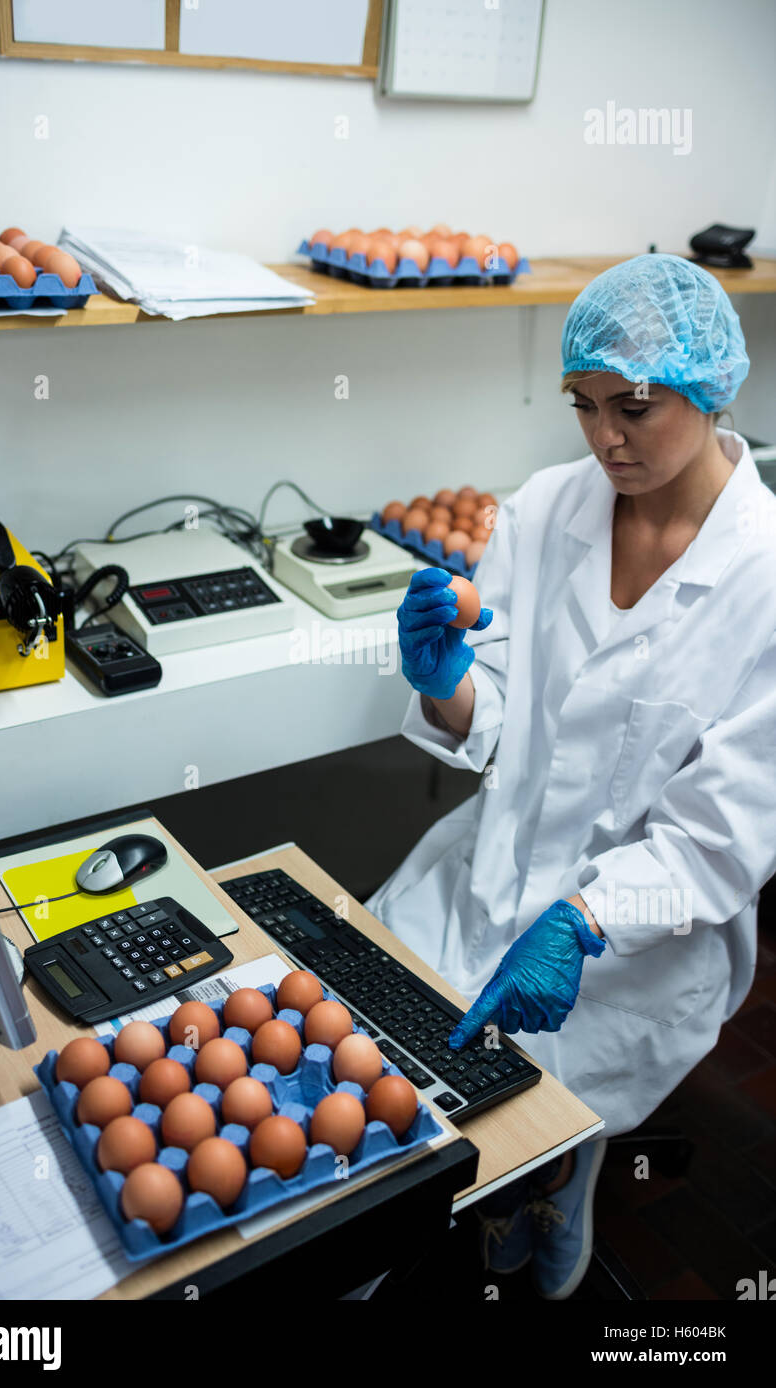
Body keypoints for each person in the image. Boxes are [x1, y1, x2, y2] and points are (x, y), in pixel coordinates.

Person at [366, 253, 776, 1299]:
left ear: (709, 386)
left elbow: (718, 835)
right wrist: (450, 681)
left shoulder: (763, 578)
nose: (602, 438)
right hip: (488, 871)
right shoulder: (549, 506)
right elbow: (499, 716)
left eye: (633, 408)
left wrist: (582, 920)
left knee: (526, 1115)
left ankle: (560, 1177)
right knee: (378, 1050)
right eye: (582, 405)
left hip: (636, 940)